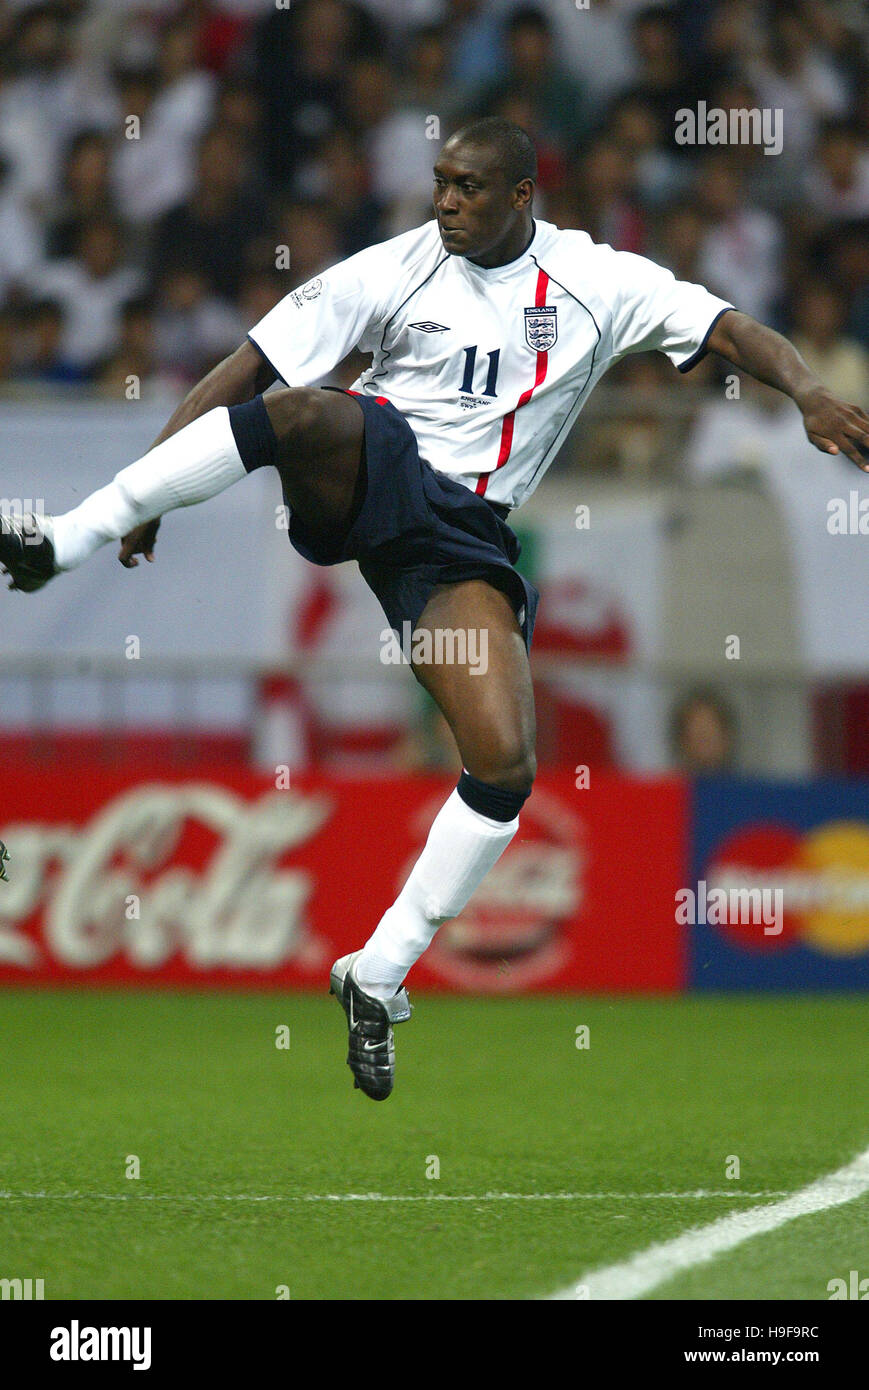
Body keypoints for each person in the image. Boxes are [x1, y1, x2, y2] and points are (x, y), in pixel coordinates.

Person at [3, 118, 868, 1101]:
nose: (444, 201)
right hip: (374, 471)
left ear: (518, 198)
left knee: (502, 762)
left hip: (457, 545)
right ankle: (55, 541)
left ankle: (375, 973)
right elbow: (248, 367)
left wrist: (804, 391)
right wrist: (143, 492)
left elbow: (724, 329)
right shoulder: (393, 268)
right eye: (438, 182)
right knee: (309, 409)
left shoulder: (598, 282)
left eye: (465, 187)